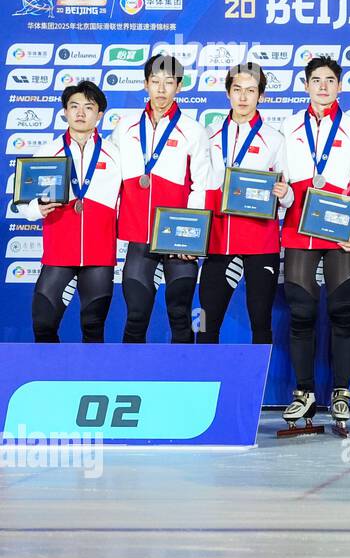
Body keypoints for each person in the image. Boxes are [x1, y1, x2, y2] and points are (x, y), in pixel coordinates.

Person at [280, 56, 350, 431]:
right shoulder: (288, 126)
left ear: (340, 86)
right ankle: (304, 393)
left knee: (342, 312)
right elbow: (282, 182)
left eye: (329, 80)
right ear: (305, 86)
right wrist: (284, 195)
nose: (322, 86)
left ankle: (341, 392)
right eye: (316, 80)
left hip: (339, 230)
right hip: (298, 228)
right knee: (301, 313)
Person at [112, 53, 212, 344]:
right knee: (136, 315)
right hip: (139, 237)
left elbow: (201, 186)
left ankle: (181, 381)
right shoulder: (126, 127)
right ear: (145, 84)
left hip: (177, 240)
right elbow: (110, 178)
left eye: (169, 82)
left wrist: (192, 238)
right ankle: (131, 380)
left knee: (180, 314)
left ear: (179, 87)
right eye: (155, 81)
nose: (161, 88)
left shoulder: (193, 130)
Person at [197, 62, 291, 346]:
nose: (243, 97)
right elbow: (198, 185)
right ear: (227, 93)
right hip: (217, 240)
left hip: (260, 242)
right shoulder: (208, 133)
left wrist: (284, 193)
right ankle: (203, 384)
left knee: (260, 322)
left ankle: (257, 390)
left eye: (251, 91)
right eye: (237, 89)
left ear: (261, 96)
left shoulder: (275, 139)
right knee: (204, 321)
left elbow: (288, 197)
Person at [20, 81, 122, 342]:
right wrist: (36, 208)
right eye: (74, 106)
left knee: (93, 326)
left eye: (89, 107)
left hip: (99, 254)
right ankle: (48, 378)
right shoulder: (46, 152)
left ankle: (92, 380)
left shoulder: (116, 155)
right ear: (64, 111)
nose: (80, 113)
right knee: (43, 324)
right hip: (58, 253)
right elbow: (22, 203)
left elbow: (131, 200)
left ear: (100, 115)